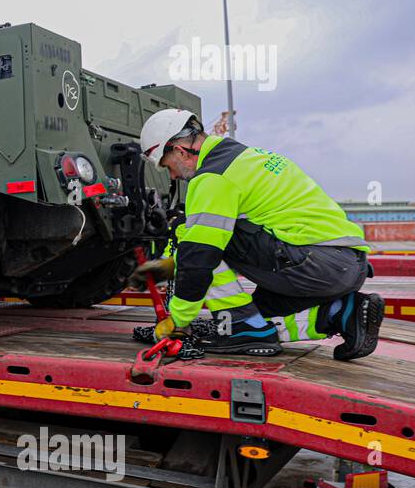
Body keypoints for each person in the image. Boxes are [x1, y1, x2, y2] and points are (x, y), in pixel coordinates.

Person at [128, 110, 382, 360]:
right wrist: (172, 266)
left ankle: (246, 327)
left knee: (196, 236)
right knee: (252, 319)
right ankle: (342, 313)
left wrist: (178, 320)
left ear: (180, 151)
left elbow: (200, 257)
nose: (172, 175)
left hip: (316, 264)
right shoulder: (248, 156)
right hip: (346, 266)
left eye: (168, 166)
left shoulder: (214, 177)